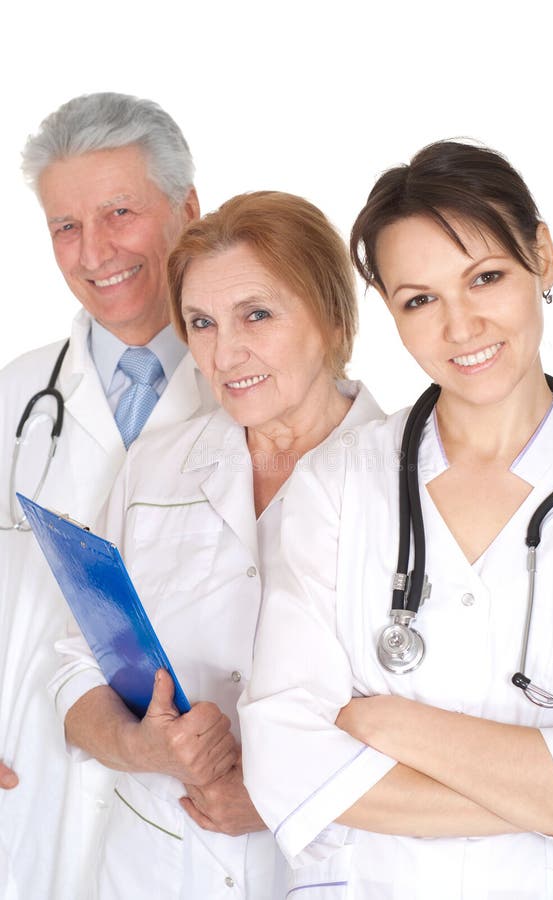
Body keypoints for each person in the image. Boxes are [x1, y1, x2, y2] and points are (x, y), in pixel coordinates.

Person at [239, 141, 553, 898]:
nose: (461, 326)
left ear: (544, 255)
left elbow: (333, 761)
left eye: (487, 278)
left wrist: (394, 727)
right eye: (418, 299)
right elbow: (282, 760)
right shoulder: (339, 483)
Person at [49, 190, 384, 899]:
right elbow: (76, 661)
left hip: (335, 864)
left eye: (256, 315)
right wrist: (143, 746)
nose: (225, 354)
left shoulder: (410, 476)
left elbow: (458, 707)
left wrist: (280, 793)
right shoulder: (155, 463)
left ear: (329, 314)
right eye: (200, 323)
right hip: (159, 863)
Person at [0, 92, 215, 900]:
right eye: (65, 225)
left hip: (182, 811)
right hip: (29, 786)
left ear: (188, 209)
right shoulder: (16, 395)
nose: (95, 252)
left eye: (119, 211)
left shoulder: (252, 393)